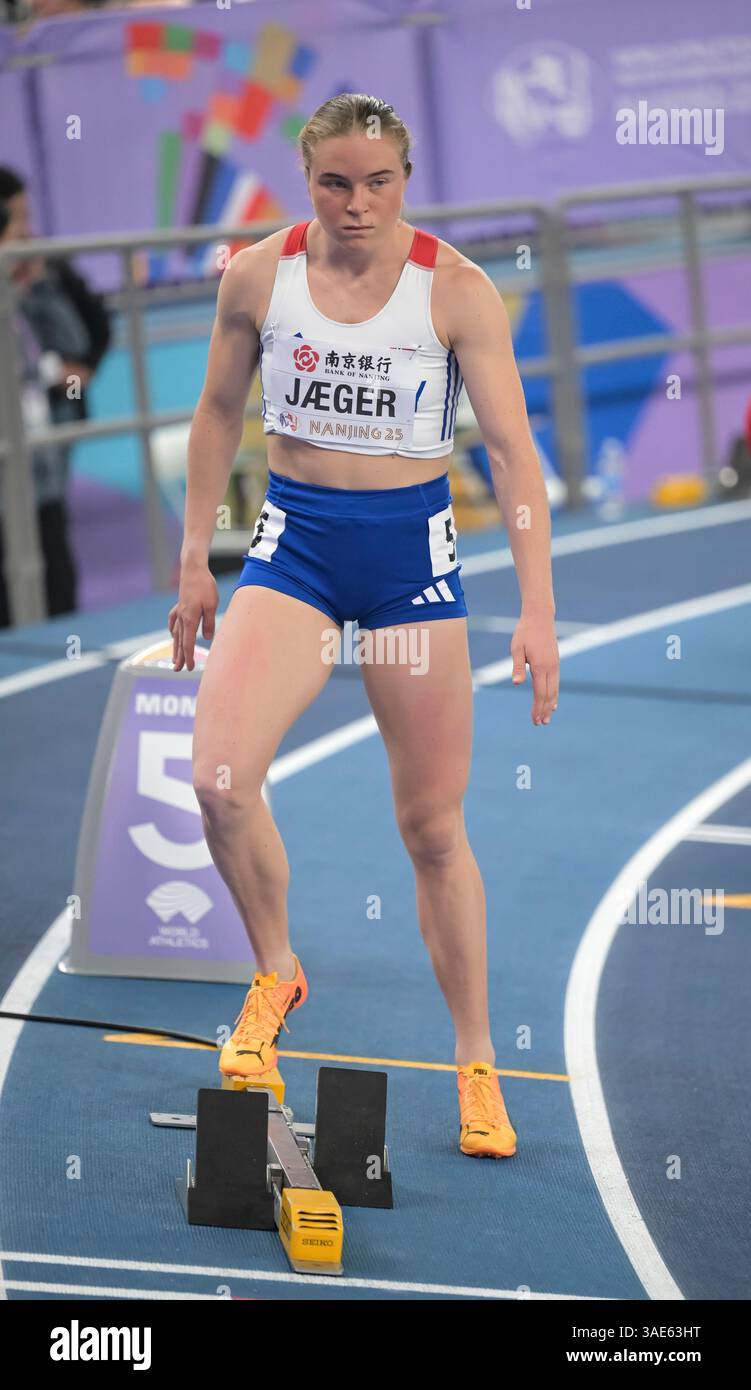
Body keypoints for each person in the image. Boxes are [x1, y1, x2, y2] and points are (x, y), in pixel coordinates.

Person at [169, 94, 559, 1159]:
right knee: (215, 778)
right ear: (307, 178)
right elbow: (213, 414)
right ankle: (275, 970)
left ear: (405, 178)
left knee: (432, 830)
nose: (355, 203)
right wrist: (194, 561)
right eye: (334, 182)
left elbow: (514, 454)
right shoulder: (259, 276)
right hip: (293, 556)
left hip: (407, 576)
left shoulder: (457, 292)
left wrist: (537, 604)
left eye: (377, 182)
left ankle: (477, 1064)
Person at [0, 166, 111, 622]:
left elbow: (83, 342)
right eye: (18, 219)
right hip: (16, 450)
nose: (29, 231)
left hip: (39, 452)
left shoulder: (44, 272)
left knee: (50, 550)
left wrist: (38, 284)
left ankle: (61, 644)